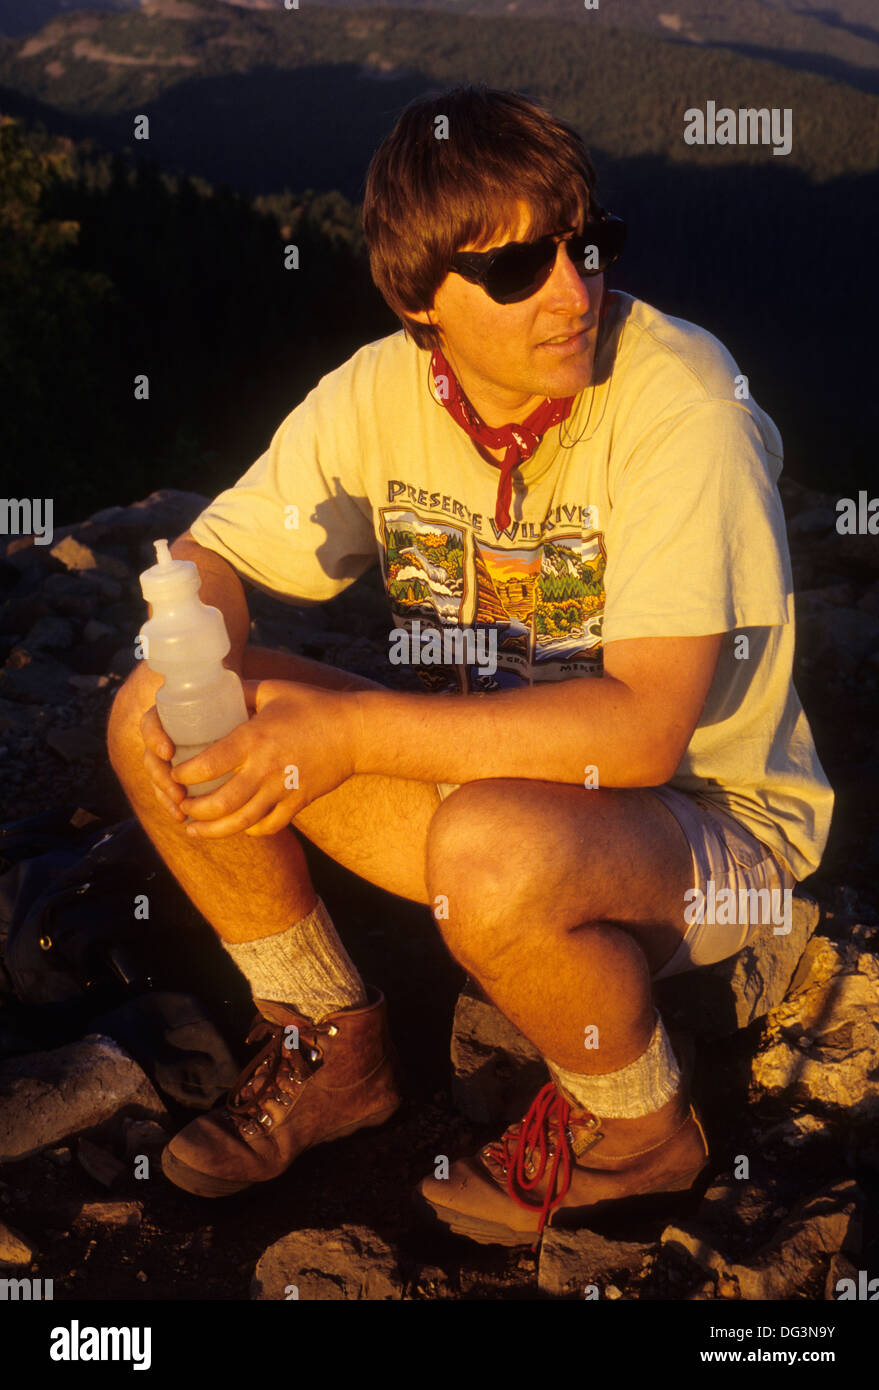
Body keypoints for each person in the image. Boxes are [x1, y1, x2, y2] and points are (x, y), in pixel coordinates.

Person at [106, 85, 833, 1245]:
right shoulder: (377, 395)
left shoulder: (685, 402)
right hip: (496, 803)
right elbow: (206, 559)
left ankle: (643, 1134)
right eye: (516, 272)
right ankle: (331, 1048)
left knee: (488, 847)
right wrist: (208, 664)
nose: (572, 293)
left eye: (587, 248)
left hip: (706, 834)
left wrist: (340, 736)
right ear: (417, 302)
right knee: (155, 705)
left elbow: (644, 730)